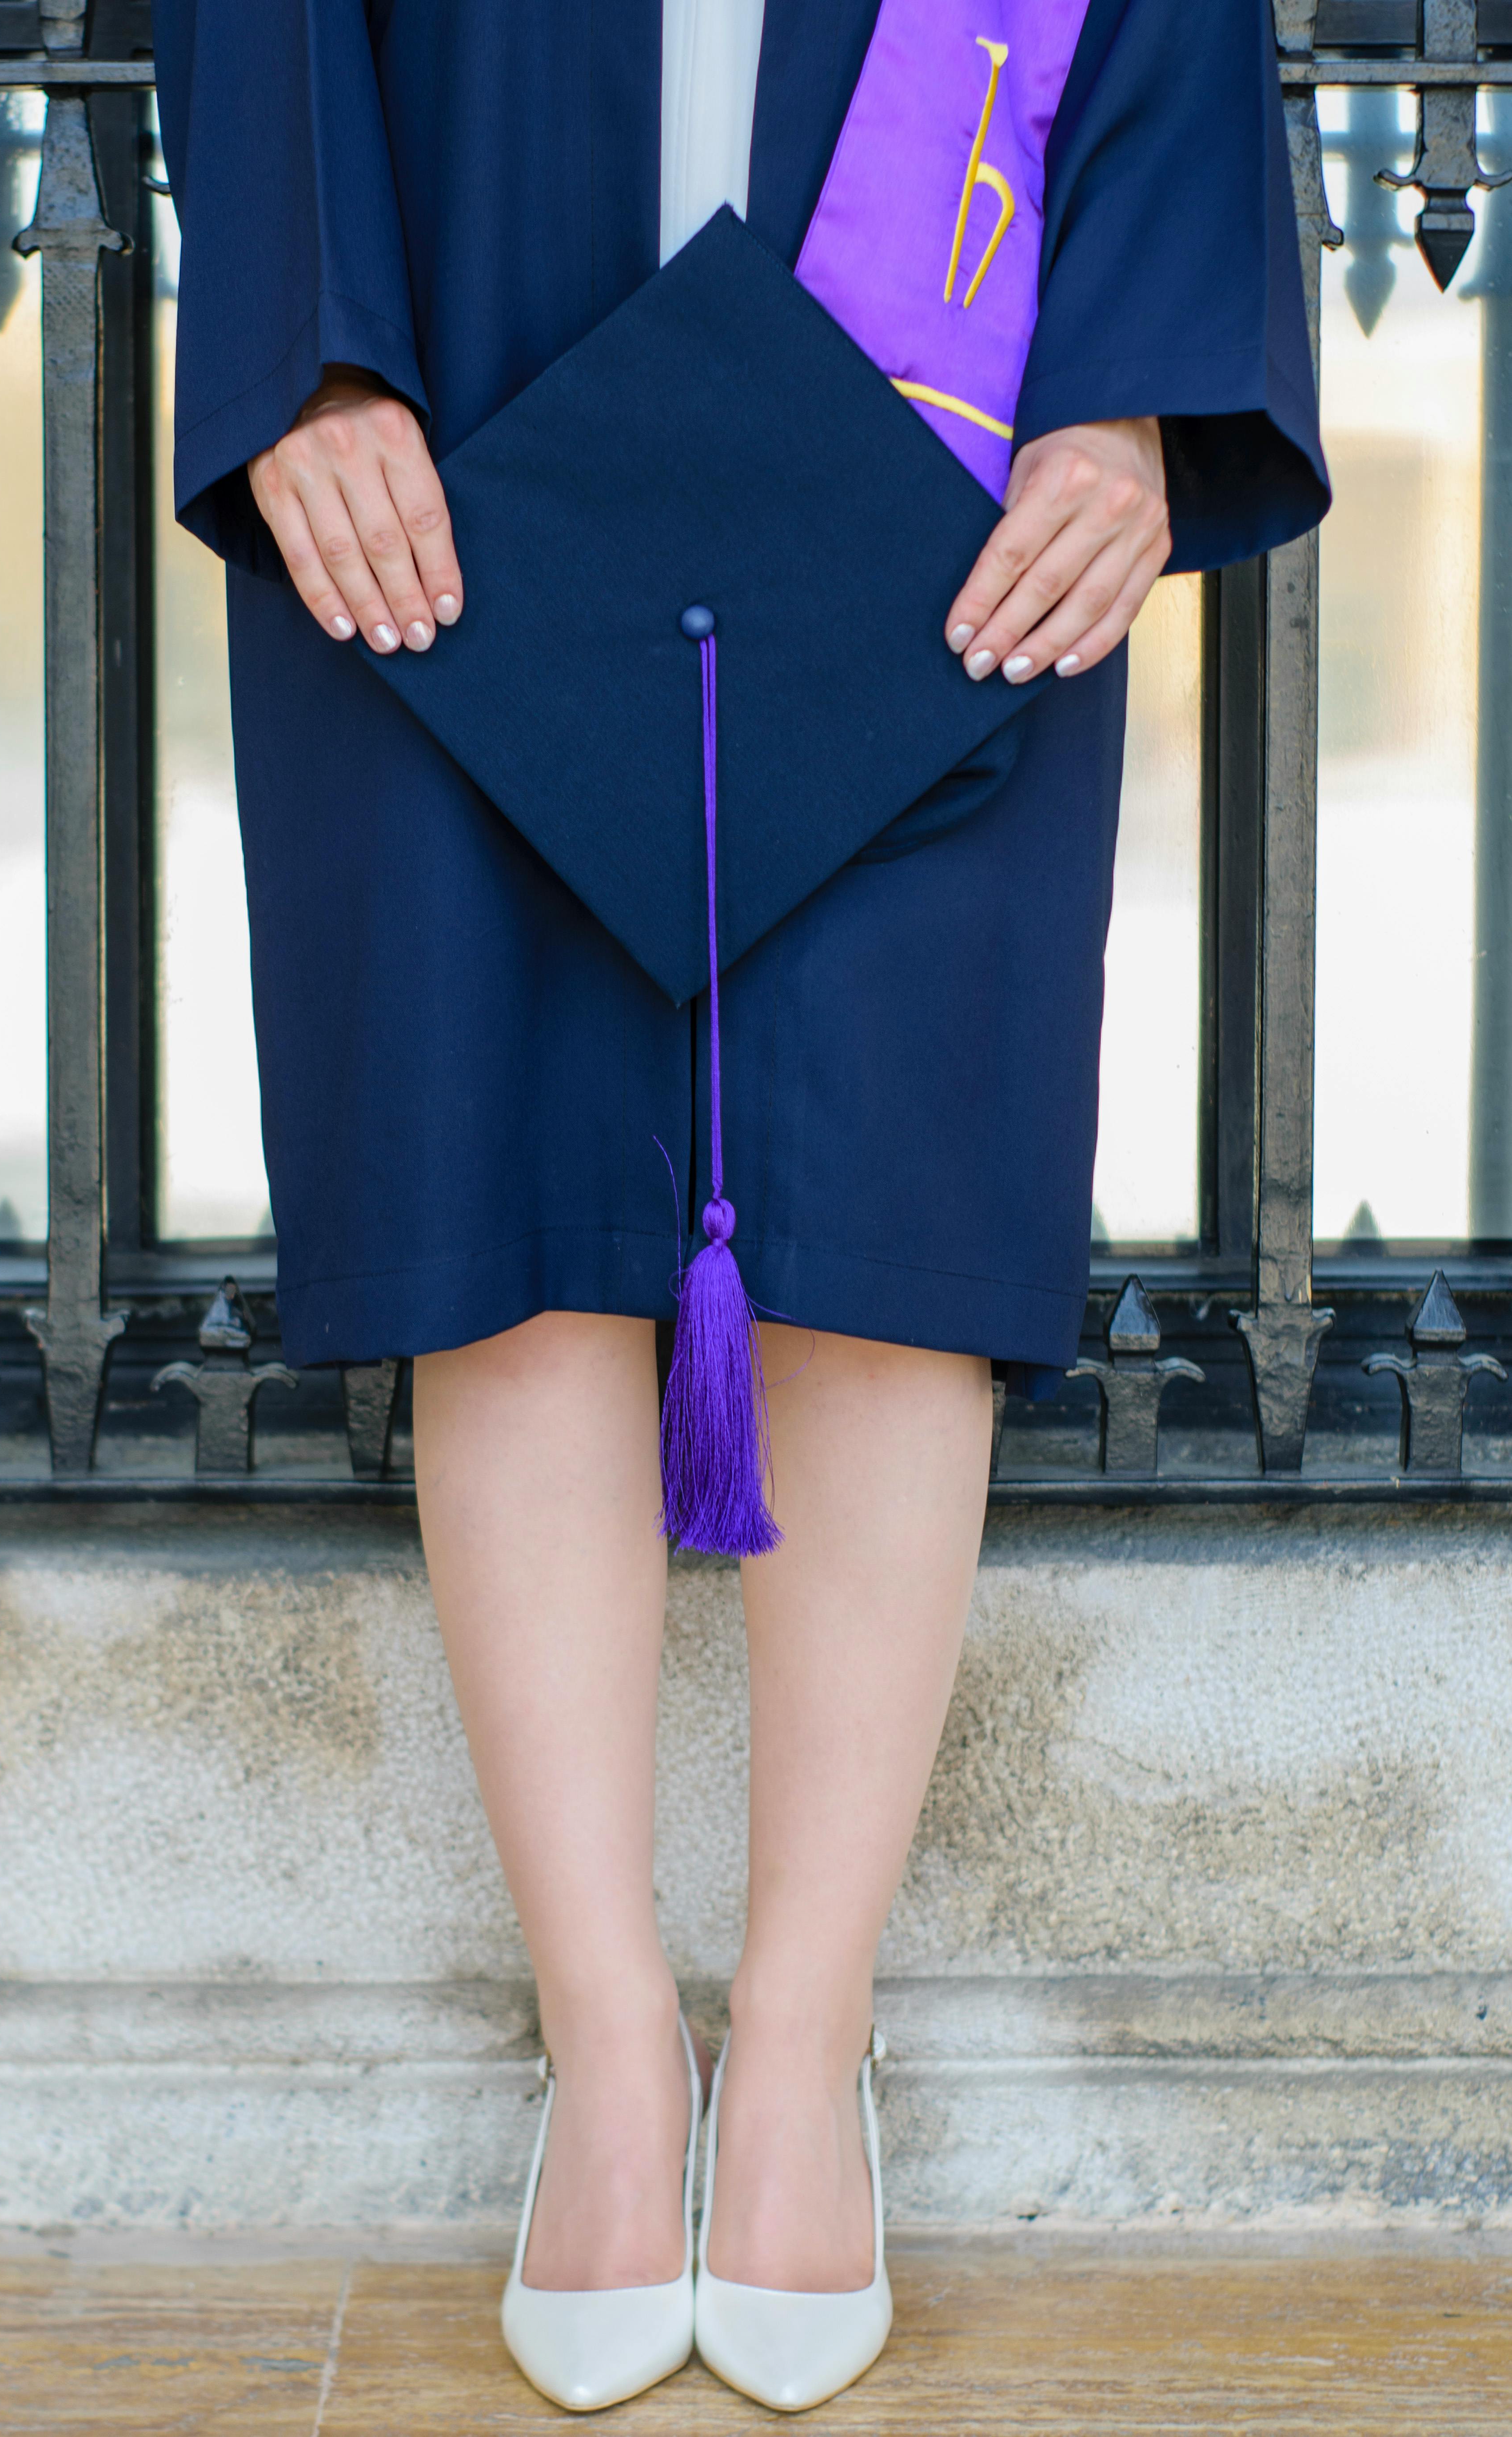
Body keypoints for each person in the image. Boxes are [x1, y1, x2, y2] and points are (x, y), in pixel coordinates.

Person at [153, 0, 1326, 2409]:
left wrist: (1120, 385)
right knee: (508, 1216)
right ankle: (607, 2052)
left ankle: (798, 2046)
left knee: (883, 1217)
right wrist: (307, 349)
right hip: (464, 378)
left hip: (933, 410)